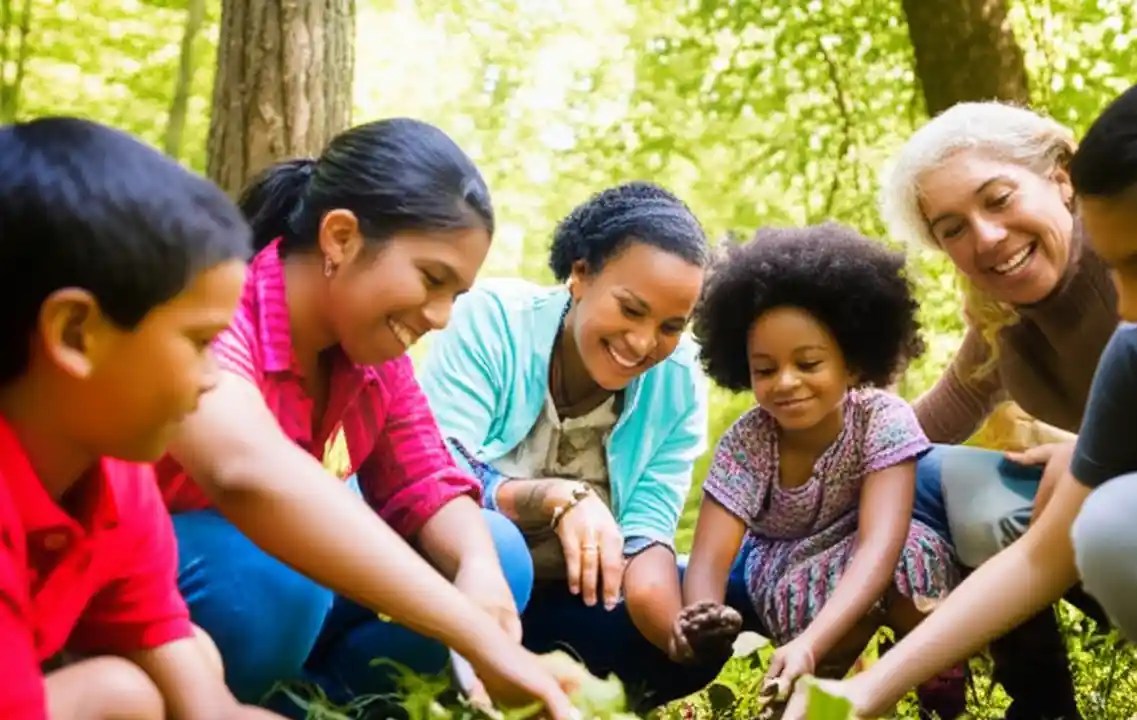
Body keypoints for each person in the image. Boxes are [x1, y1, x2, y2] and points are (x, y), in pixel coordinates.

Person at [784, 50, 1137, 720]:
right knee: (1115, 522)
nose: (1129, 309)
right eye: (951, 227)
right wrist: (867, 689)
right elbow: (1041, 557)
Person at [154, 118, 575, 718]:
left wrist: (478, 570)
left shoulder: (375, 359)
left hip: (292, 602)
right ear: (342, 238)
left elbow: (426, 481)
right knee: (275, 579)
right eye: (432, 279)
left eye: (456, 294)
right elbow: (247, 471)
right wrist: (473, 632)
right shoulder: (221, 312)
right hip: (175, 584)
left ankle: (319, 703)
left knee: (499, 553)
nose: (440, 316)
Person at [879, 99, 1137, 718]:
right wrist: (827, 443)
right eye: (951, 227)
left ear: (1060, 178)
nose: (985, 236)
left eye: (999, 198)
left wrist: (1106, 461)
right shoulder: (1001, 316)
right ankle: (1043, 708)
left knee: (1105, 504)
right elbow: (937, 414)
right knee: (921, 475)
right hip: (1121, 509)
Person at [0, 117, 281, 719]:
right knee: (117, 696)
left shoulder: (111, 479)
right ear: (76, 333)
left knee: (181, 662)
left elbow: (204, 699)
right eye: (200, 341)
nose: (213, 377)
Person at [419, 181, 716, 711]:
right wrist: (556, 496)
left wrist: (677, 634)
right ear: (580, 275)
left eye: (671, 326)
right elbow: (432, 466)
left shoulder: (678, 382)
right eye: (630, 309)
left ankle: (546, 694)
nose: (644, 342)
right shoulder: (493, 320)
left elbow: (647, 534)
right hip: (452, 582)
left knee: (714, 589)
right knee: (497, 545)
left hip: (564, 604)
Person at [679, 225, 967, 718]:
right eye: (765, 370)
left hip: (874, 551)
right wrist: (703, 613)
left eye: (808, 363)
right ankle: (815, 695)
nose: (786, 383)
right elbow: (709, 557)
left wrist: (812, 639)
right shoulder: (749, 443)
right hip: (787, 570)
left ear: (853, 363)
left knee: (916, 553)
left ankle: (934, 687)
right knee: (823, 590)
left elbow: (882, 542)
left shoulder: (881, 418)